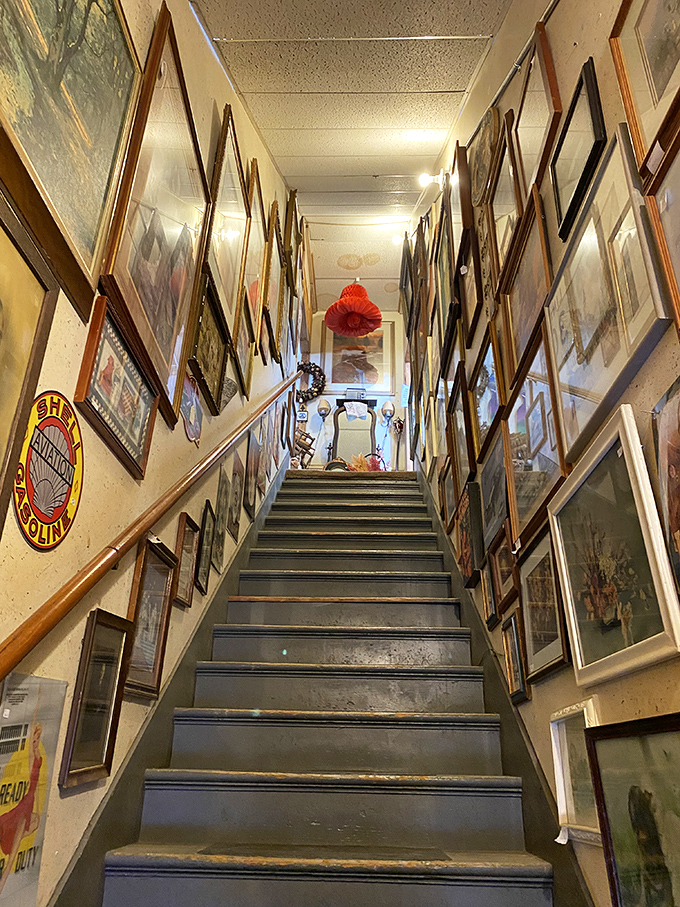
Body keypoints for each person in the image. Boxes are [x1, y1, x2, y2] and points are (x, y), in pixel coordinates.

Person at [0, 716, 43, 896]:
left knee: (36, 821)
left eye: (37, 738)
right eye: (34, 739)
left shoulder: (38, 754)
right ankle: (2, 884)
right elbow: (31, 755)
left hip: (30, 799)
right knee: (12, 856)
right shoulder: (32, 756)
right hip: (26, 801)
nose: (35, 742)